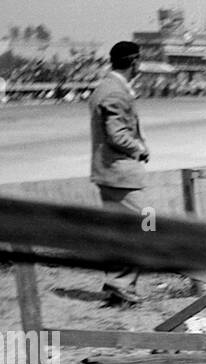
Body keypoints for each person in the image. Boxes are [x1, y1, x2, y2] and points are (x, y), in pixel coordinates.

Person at [89, 41, 150, 307]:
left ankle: (116, 284)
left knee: (119, 229)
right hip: (120, 173)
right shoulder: (116, 92)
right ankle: (121, 285)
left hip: (107, 171)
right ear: (134, 62)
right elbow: (117, 135)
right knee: (142, 228)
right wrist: (140, 148)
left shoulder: (104, 87)